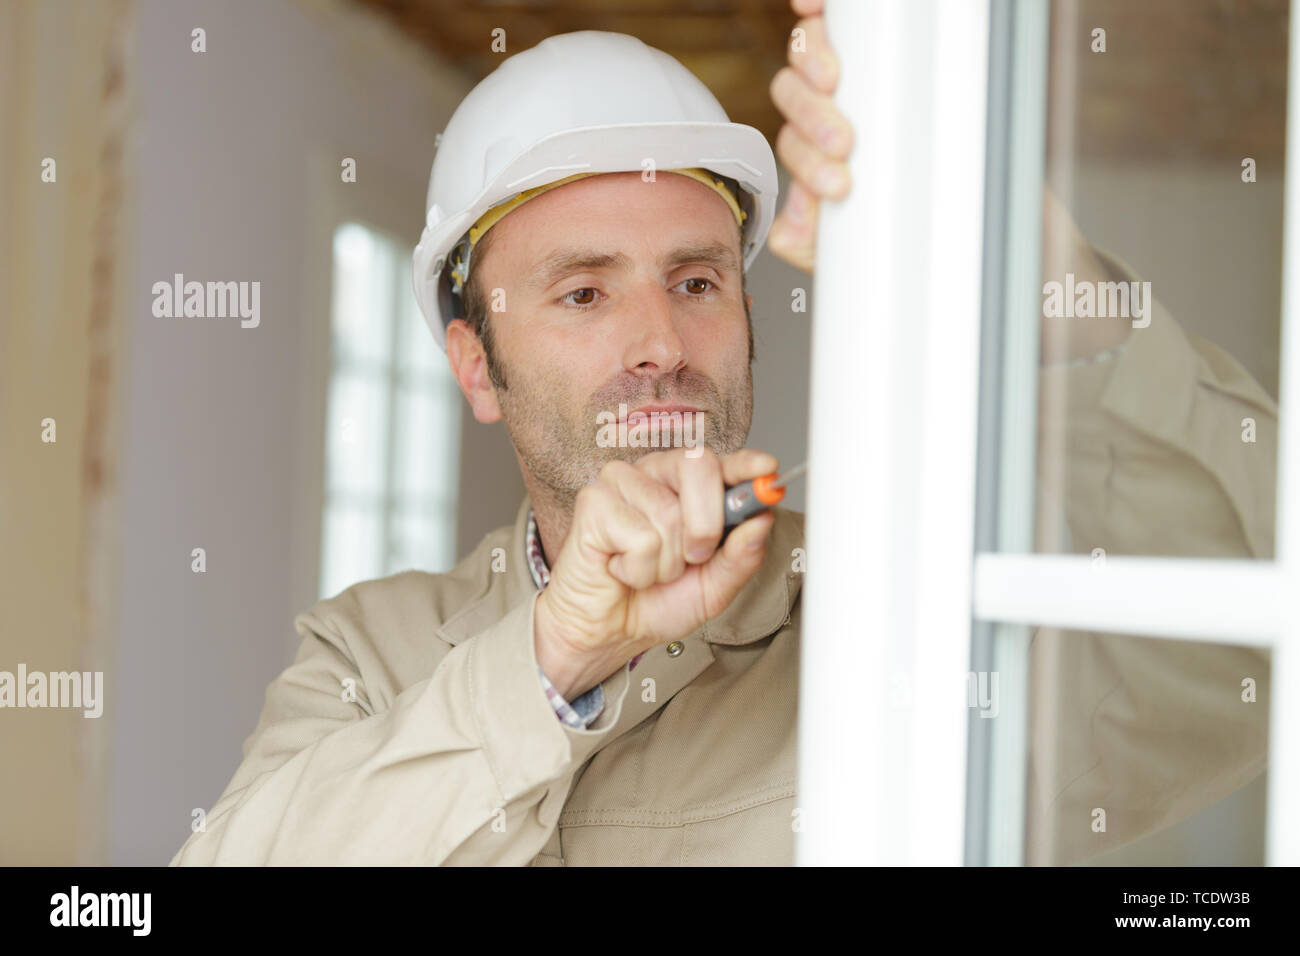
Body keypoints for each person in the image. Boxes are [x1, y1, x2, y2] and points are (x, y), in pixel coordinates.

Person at [173, 0, 1272, 866]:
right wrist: (558, 658)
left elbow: (1246, 636)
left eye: (694, 279)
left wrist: (1039, 282)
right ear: (477, 366)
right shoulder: (369, 652)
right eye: (583, 295)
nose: (660, 340)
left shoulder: (903, 604)